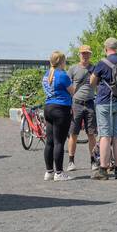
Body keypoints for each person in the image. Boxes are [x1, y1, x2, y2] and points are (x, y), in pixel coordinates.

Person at [90, 38, 117, 180]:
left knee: (105, 136)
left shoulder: (102, 63)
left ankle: (103, 169)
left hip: (105, 102)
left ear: (106, 48)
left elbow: (92, 82)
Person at [41, 50, 74, 181]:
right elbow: (72, 91)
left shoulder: (46, 74)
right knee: (59, 141)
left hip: (48, 108)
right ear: (61, 61)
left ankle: (49, 172)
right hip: (61, 109)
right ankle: (59, 173)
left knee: (49, 142)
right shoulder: (63, 75)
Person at [66, 45, 98, 170]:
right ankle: (71, 161)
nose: (85, 55)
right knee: (73, 133)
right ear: (79, 54)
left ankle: (93, 161)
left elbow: (99, 86)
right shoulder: (73, 69)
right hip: (76, 104)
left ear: (90, 54)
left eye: (87, 53)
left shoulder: (95, 68)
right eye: (83, 53)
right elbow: (67, 87)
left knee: (91, 134)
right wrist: (69, 104)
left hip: (90, 103)